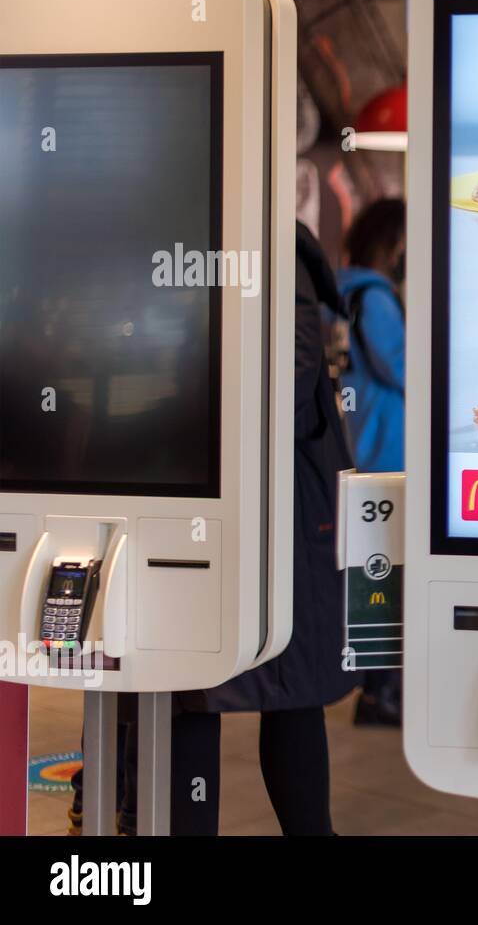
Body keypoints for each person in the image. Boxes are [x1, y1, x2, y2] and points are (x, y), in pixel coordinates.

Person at [170, 223, 357, 834]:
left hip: (278, 508)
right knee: (194, 688)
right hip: (249, 498)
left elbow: (293, 383)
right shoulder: (257, 239)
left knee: (273, 690)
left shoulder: (269, 243)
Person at [337, 199, 406, 727]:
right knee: (389, 572)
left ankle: (376, 685)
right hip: (390, 448)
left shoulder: (339, 290)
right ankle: (382, 691)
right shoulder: (375, 296)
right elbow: (404, 368)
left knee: (372, 572)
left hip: (361, 444)